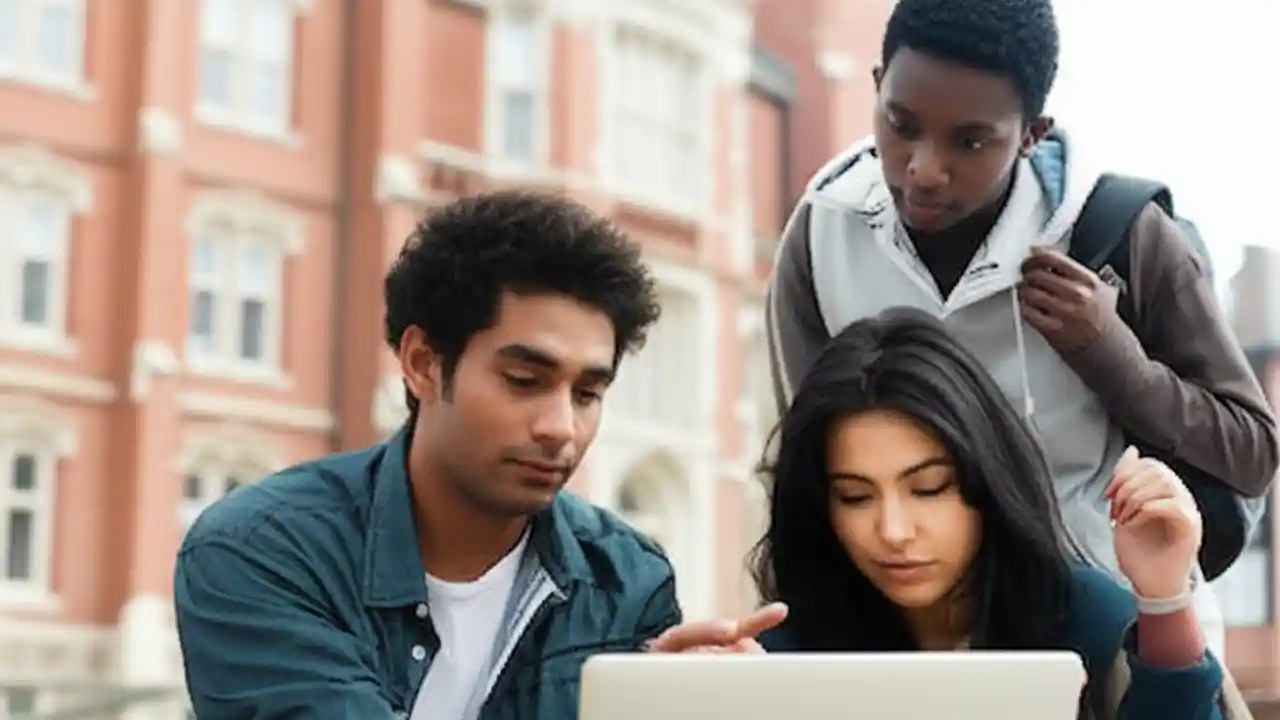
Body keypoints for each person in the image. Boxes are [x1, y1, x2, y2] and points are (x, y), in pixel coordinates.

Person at [764, 0, 1277, 656]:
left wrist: (1114, 358)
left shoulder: (1122, 234)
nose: (923, 167)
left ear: (1033, 133)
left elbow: (1254, 449)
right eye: (901, 124)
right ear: (876, 86)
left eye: (969, 141)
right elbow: (809, 465)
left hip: (1113, 637)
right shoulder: (821, 227)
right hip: (904, 645)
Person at [174, 191, 785, 720]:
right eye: (524, 379)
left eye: (588, 393)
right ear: (423, 364)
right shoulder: (262, 550)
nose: (561, 427)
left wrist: (663, 699)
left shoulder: (625, 578)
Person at [755, 308, 1236, 719]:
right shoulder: (788, 647)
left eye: (928, 488)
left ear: (987, 478)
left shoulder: (1083, 618)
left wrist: (1165, 600)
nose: (894, 531)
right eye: (855, 497)